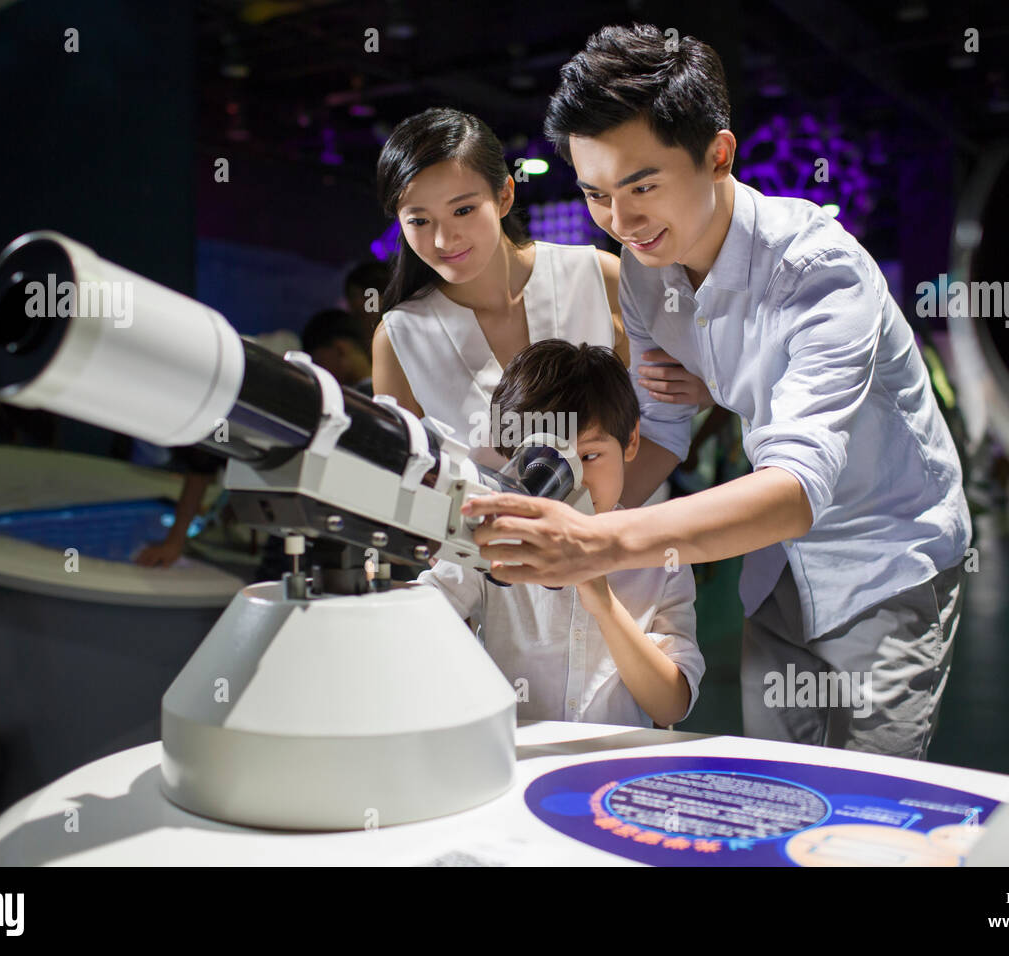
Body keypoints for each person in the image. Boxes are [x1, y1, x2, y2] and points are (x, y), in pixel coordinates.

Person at [463, 24, 972, 760]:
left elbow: (797, 487)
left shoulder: (819, 271)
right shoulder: (644, 272)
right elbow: (663, 430)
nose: (621, 222)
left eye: (642, 187)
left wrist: (591, 542)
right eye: (596, 194)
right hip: (774, 562)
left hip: (884, 557)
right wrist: (558, 509)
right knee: (776, 783)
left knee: (872, 797)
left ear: (719, 154)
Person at [370, 105, 708, 484]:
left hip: (624, 526)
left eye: (463, 210)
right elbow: (404, 481)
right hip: (490, 541)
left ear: (504, 196)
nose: (444, 239)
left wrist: (706, 389)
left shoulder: (600, 277)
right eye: (419, 221)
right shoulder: (400, 338)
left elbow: (686, 398)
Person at [417, 340, 704, 728]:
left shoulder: (659, 558)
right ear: (514, 457)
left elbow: (670, 707)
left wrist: (602, 601)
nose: (574, 483)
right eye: (545, 460)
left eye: (589, 457)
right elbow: (421, 619)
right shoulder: (494, 541)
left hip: (616, 766)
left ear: (630, 441)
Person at [300, 308, 373, 395]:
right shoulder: (390, 388)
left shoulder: (345, 404)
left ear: (340, 350)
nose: (317, 374)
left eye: (319, 362)